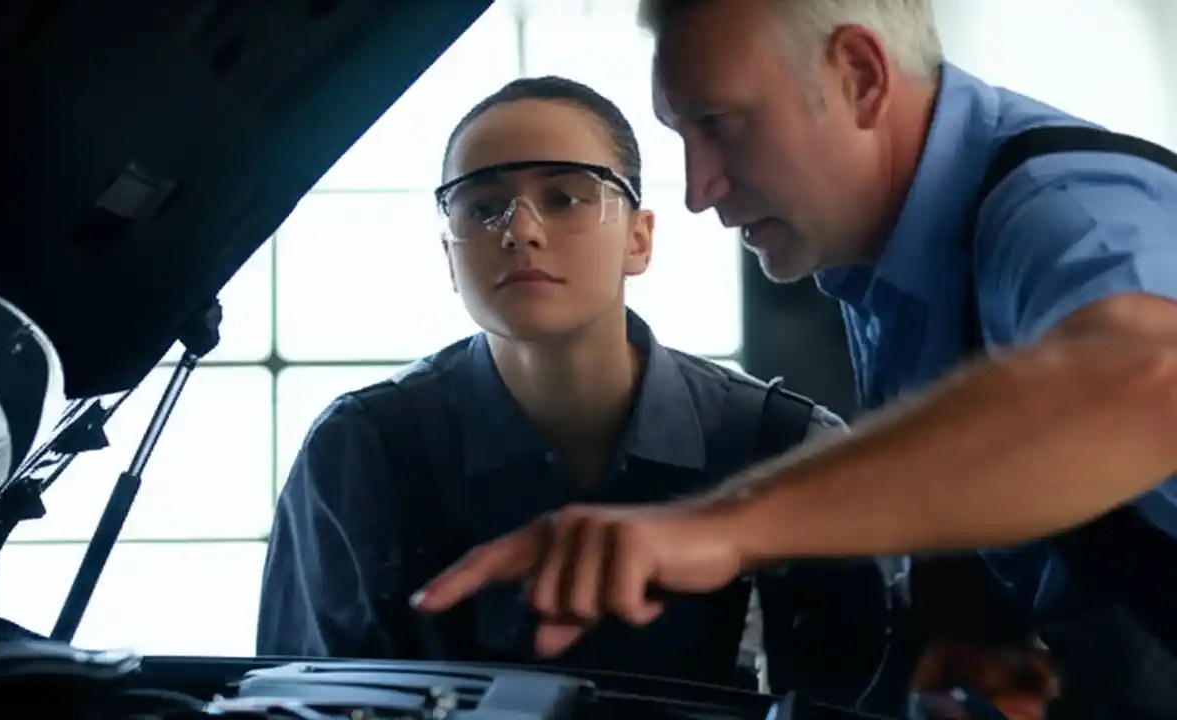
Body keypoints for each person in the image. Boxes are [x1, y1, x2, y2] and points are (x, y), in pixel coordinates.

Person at [412, 1, 1177, 716]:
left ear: (860, 79)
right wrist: (966, 612)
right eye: (684, 135)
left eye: (723, 124)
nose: (699, 190)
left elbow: (1144, 383)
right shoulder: (870, 261)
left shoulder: (1071, 207)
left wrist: (712, 528)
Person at [255, 75, 874, 691]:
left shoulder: (788, 446)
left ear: (640, 238)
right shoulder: (359, 453)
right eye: (481, 205)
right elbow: (299, 695)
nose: (520, 230)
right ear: (450, 255)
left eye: (565, 197)